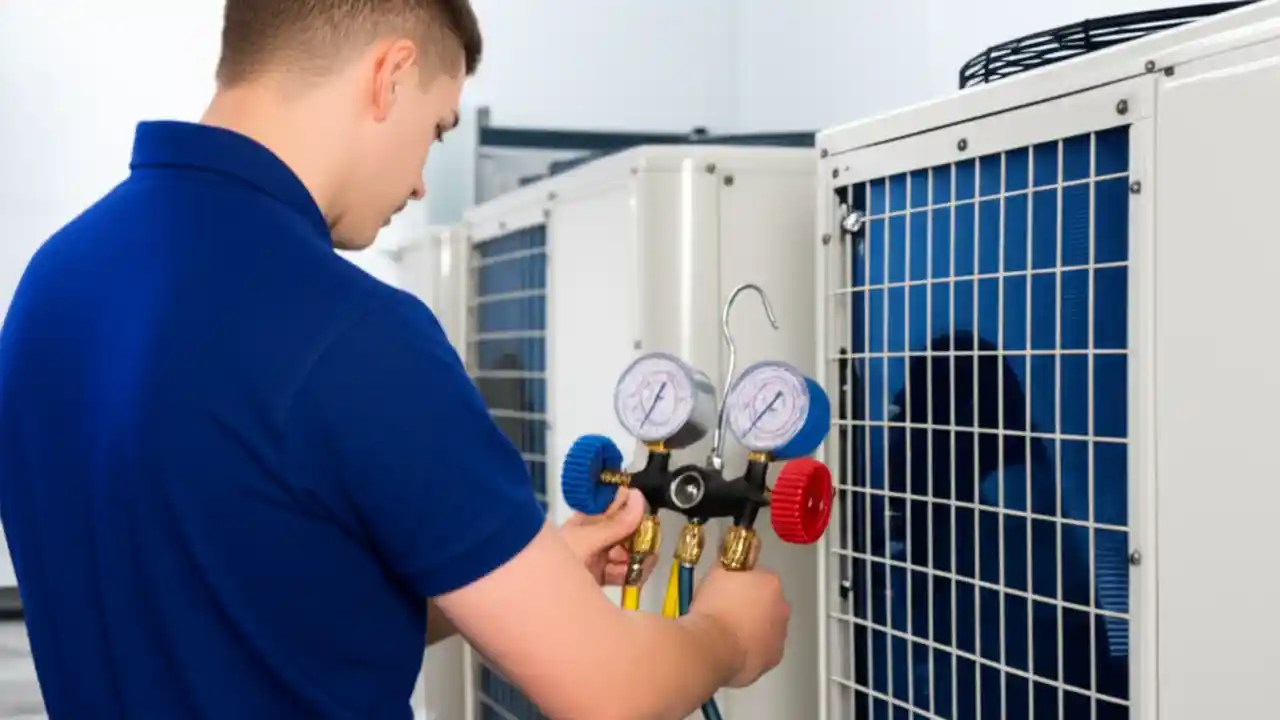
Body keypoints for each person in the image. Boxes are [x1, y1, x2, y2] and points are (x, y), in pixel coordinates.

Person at [0, 1, 791, 718]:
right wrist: (727, 632)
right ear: (392, 73)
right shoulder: (355, 332)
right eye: (438, 129)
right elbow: (610, 693)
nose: (419, 184)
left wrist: (524, 581)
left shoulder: (52, 283)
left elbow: (241, 610)